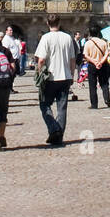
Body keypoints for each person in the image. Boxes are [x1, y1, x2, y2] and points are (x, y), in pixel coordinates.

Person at [33, 14, 77, 147]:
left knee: (45, 105)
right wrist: (72, 74)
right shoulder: (67, 37)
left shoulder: (45, 38)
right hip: (65, 76)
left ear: (47, 23)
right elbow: (72, 59)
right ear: (59, 23)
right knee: (62, 108)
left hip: (50, 78)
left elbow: (40, 59)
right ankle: (59, 136)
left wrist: (39, 73)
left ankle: (54, 129)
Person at [81, 25, 110, 110]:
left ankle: (94, 104)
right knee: (104, 84)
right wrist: (100, 62)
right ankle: (107, 99)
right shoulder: (103, 42)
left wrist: (94, 62)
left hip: (92, 65)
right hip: (103, 64)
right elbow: (107, 53)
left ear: (90, 33)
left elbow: (86, 55)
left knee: (92, 85)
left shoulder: (88, 43)